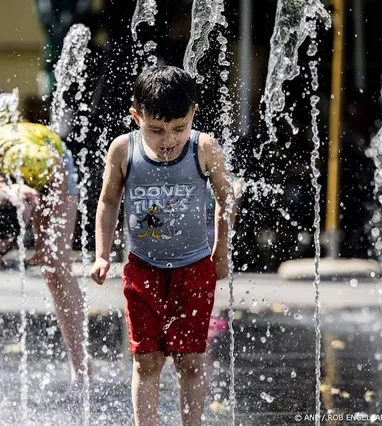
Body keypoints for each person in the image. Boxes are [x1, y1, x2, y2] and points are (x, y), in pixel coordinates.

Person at [90, 66, 233, 426]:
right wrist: (102, 254)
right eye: (155, 130)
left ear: (192, 115)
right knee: (146, 359)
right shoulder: (124, 150)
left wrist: (221, 250)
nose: (168, 139)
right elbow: (108, 202)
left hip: (194, 268)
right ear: (136, 117)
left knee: (190, 360)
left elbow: (225, 198)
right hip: (143, 268)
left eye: (178, 128)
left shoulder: (203, 147)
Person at [0, 120, 87, 403]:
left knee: (55, 266)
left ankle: (81, 374)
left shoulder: (40, 163)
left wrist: (48, 238)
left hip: (53, 162)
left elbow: (58, 174)